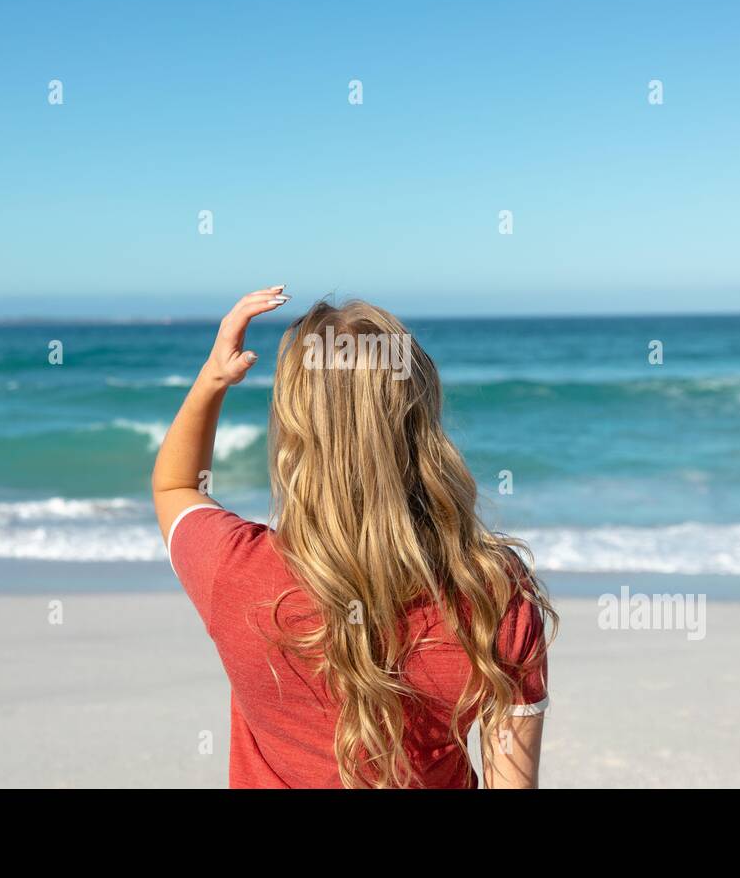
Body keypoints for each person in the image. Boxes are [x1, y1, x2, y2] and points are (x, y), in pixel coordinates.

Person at [152, 286, 556, 788]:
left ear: (295, 431)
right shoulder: (492, 591)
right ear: (423, 422)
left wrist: (214, 378)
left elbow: (176, 485)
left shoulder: (235, 571)